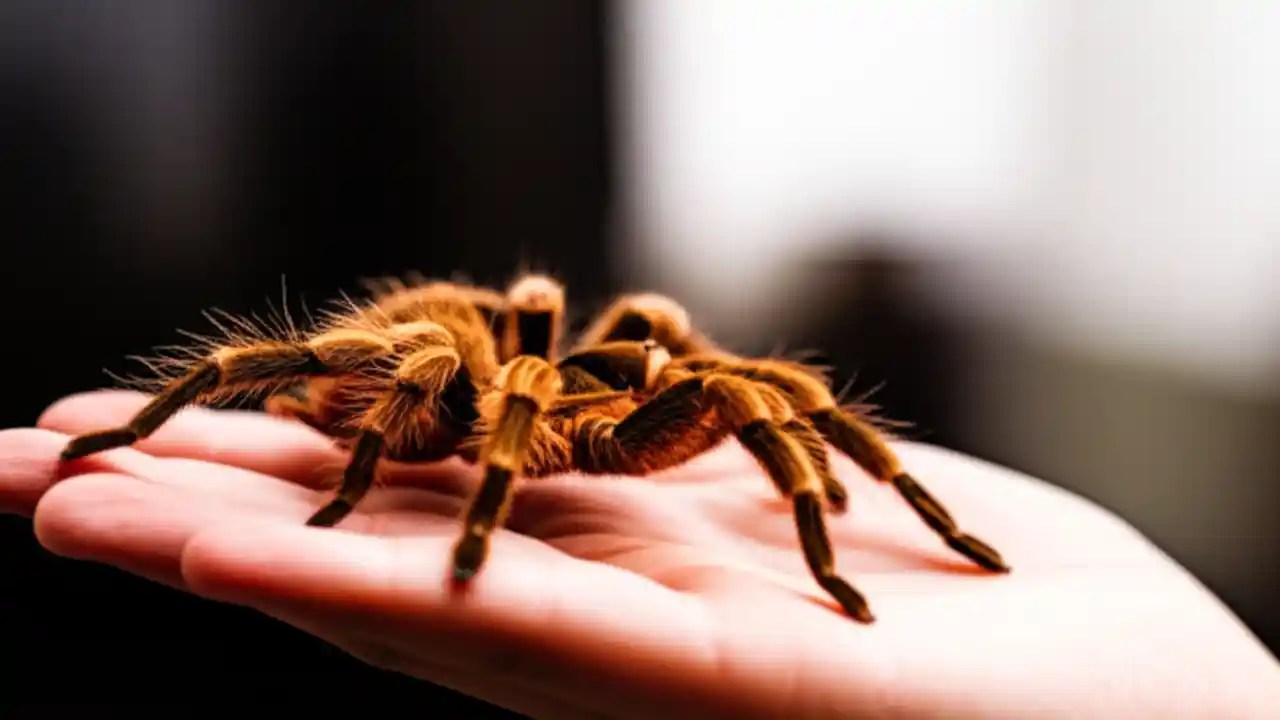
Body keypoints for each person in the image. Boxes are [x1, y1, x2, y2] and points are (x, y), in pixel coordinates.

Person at [2, 389, 1278, 719]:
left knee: (751, 385)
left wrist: (913, 533)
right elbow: (468, 381)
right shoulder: (484, 389)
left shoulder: (632, 416)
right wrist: (472, 504)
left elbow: (722, 385)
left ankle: (899, 534)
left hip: (513, 419)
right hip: (424, 395)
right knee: (460, 358)